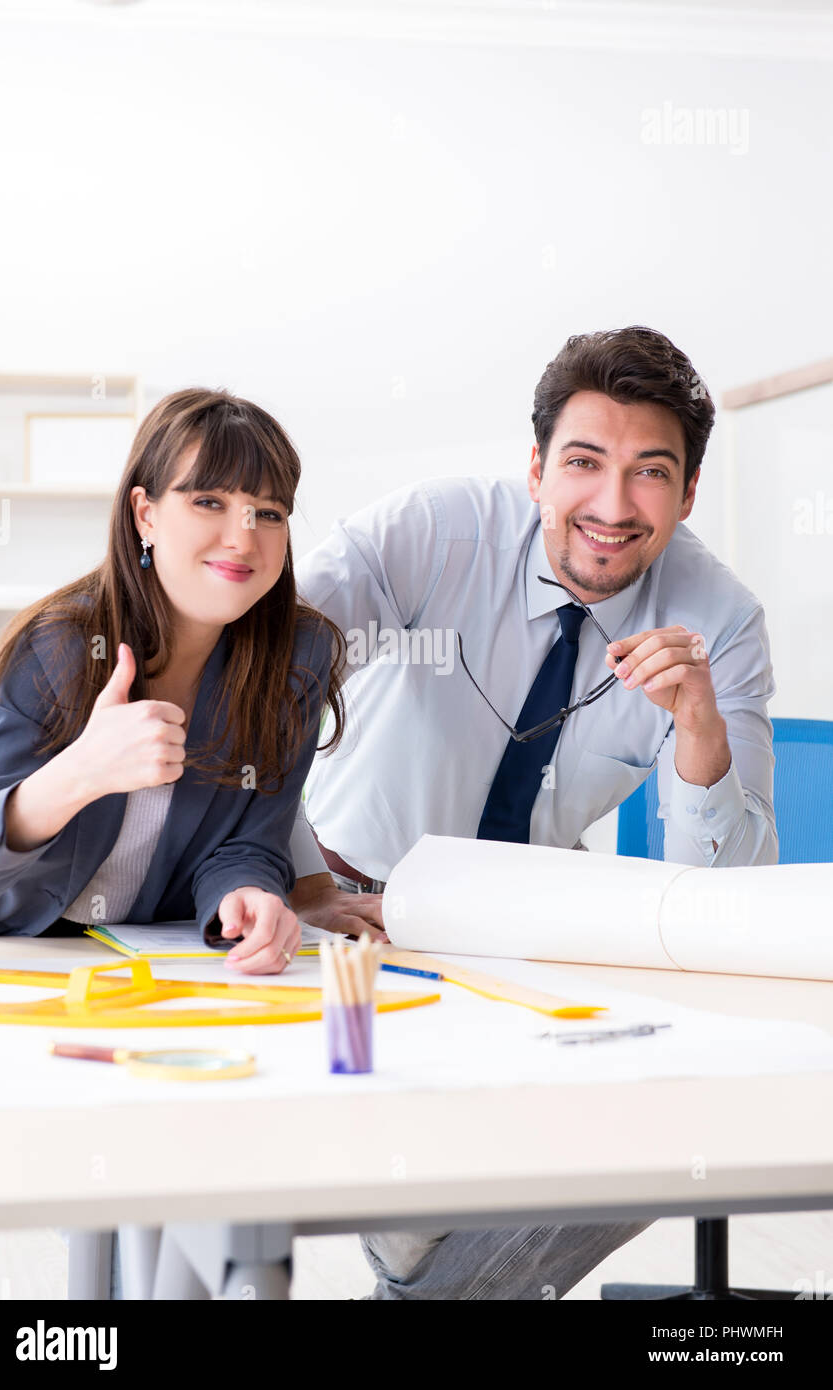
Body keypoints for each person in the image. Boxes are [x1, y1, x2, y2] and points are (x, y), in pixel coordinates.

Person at [292, 325, 777, 1299]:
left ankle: (426, 1272)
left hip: (521, 924)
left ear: (687, 496)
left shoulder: (720, 621)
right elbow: (275, 669)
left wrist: (698, 738)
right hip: (338, 907)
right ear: (536, 469)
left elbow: (734, 902)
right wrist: (283, 864)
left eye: (650, 473)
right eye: (585, 463)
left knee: (666, 1131)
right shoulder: (435, 532)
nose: (611, 504)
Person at [0, 386, 349, 967]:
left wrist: (245, 895)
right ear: (145, 513)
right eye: (208, 502)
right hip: (16, 964)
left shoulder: (298, 655)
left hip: (168, 968)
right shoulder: (55, 647)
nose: (243, 538)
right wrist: (80, 773)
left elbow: (251, 842)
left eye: (268, 513)